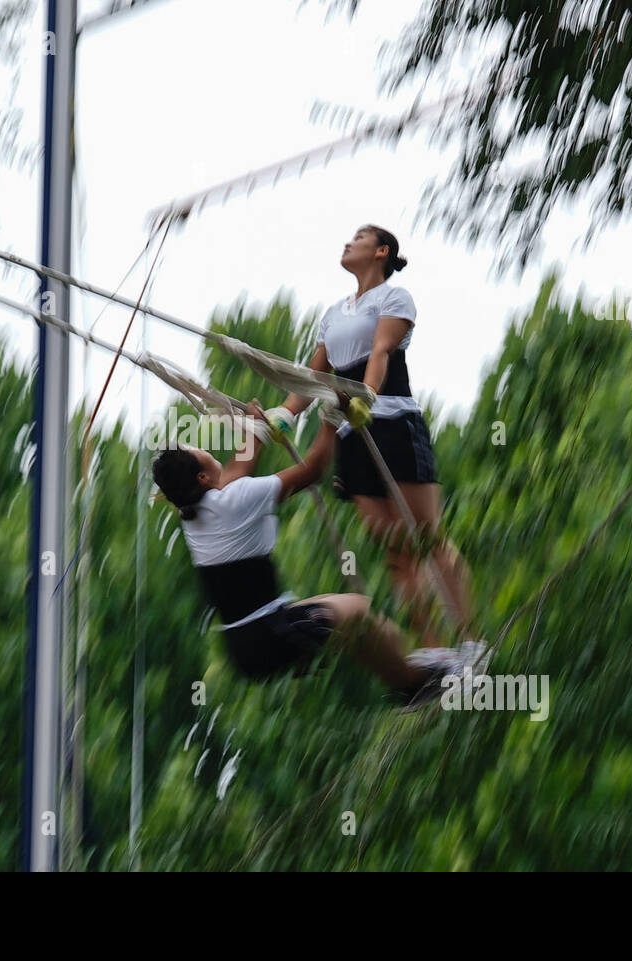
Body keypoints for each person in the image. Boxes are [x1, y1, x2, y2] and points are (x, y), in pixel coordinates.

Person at [150, 399, 465, 707]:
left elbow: (237, 468)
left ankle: (412, 679)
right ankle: (416, 681)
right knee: (358, 614)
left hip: (245, 644)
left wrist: (254, 427)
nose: (205, 450)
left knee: (353, 618)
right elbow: (313, 469)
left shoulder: (191, 512)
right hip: (270, 634)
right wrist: (330, 416)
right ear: (203, 478)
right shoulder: (238, 499)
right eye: (200, 452)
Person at [262, 225, 478, 654]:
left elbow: (380, 352)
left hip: (392, 420)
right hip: (351, 435)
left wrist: (368, 398)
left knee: (427, 537)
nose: (347, 241)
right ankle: (437, 651)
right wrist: (285, 414)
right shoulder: (332, 313)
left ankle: (471, 641)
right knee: (398, 553)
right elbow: (314, 376)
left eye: (358, 237)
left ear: (381, 252)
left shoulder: (394, 298)